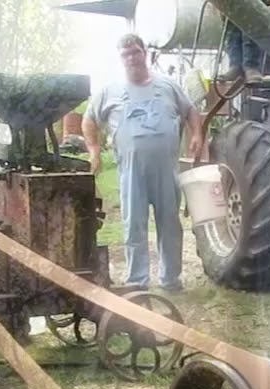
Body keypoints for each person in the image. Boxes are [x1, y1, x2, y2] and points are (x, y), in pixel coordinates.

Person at [83, 33, 204, 292]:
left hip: (166, 170)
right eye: (126, 54)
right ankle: (137, 281)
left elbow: (191, 111)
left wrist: (197, 135)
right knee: (133, 226)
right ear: (120, 58)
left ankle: (171, 279)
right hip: (131, 172)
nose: (131, 58)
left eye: (135, 52)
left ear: (144, 54)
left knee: (170, 225)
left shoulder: (168, 85)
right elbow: (89, 120)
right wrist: (94, 150)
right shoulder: (110, 91)